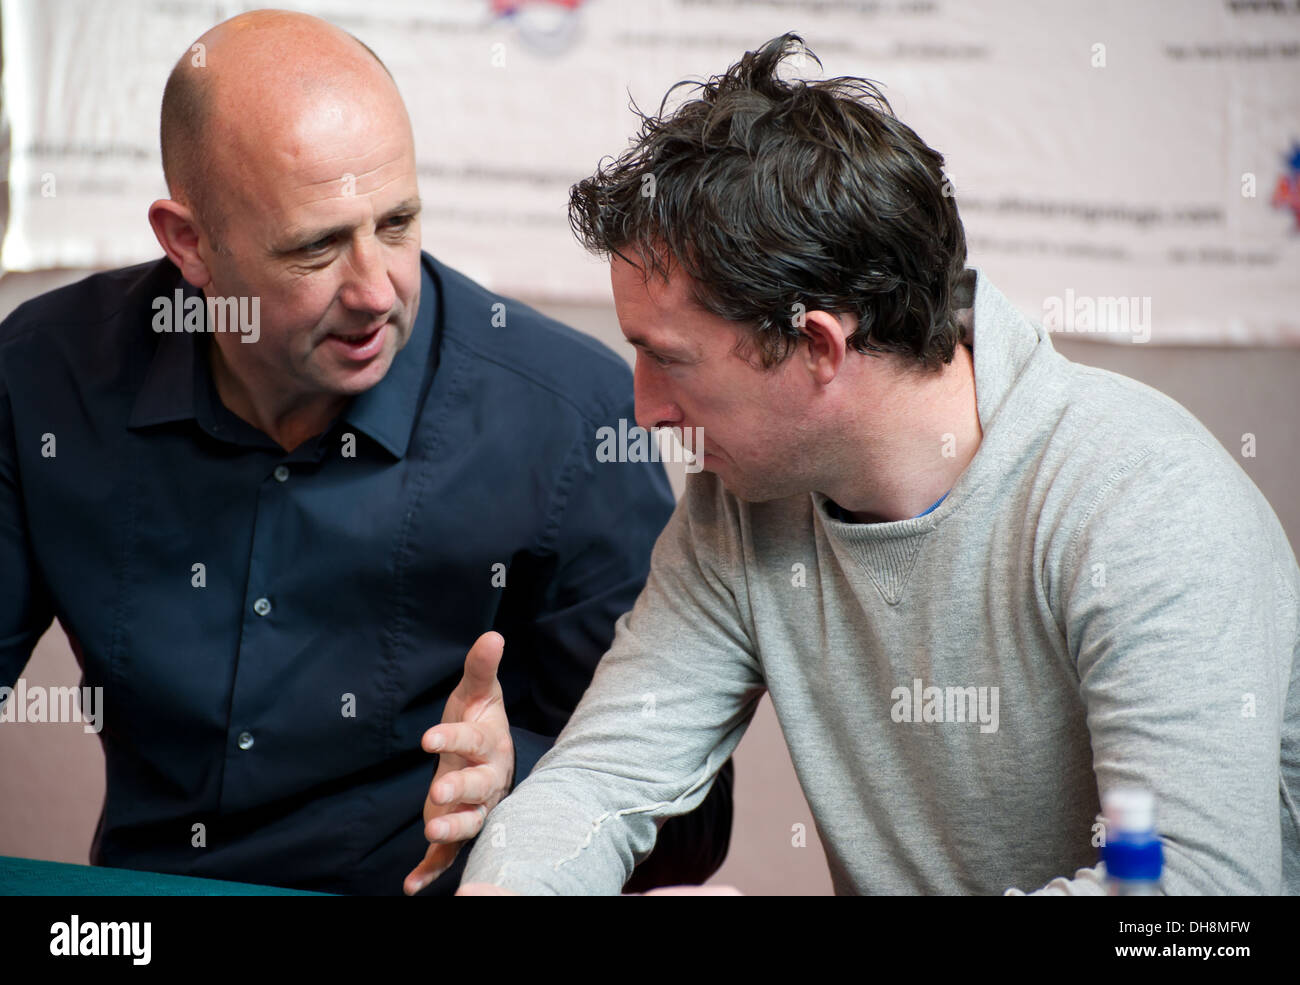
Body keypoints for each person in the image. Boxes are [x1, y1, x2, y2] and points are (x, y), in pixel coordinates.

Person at [458, 33, 1300, 895]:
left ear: (817, 345)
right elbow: (598, 784)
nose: (643, 409)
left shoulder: (1145, 502)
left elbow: (1201, 908)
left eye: (667, 357)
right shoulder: (742, 503)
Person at [0, 9, 733, 896]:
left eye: (397, 223)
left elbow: (692, 824)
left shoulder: (570, 419)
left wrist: (527, 773)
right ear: (189, 243)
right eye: (315, 247)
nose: (377, 291)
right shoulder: (43, 376)